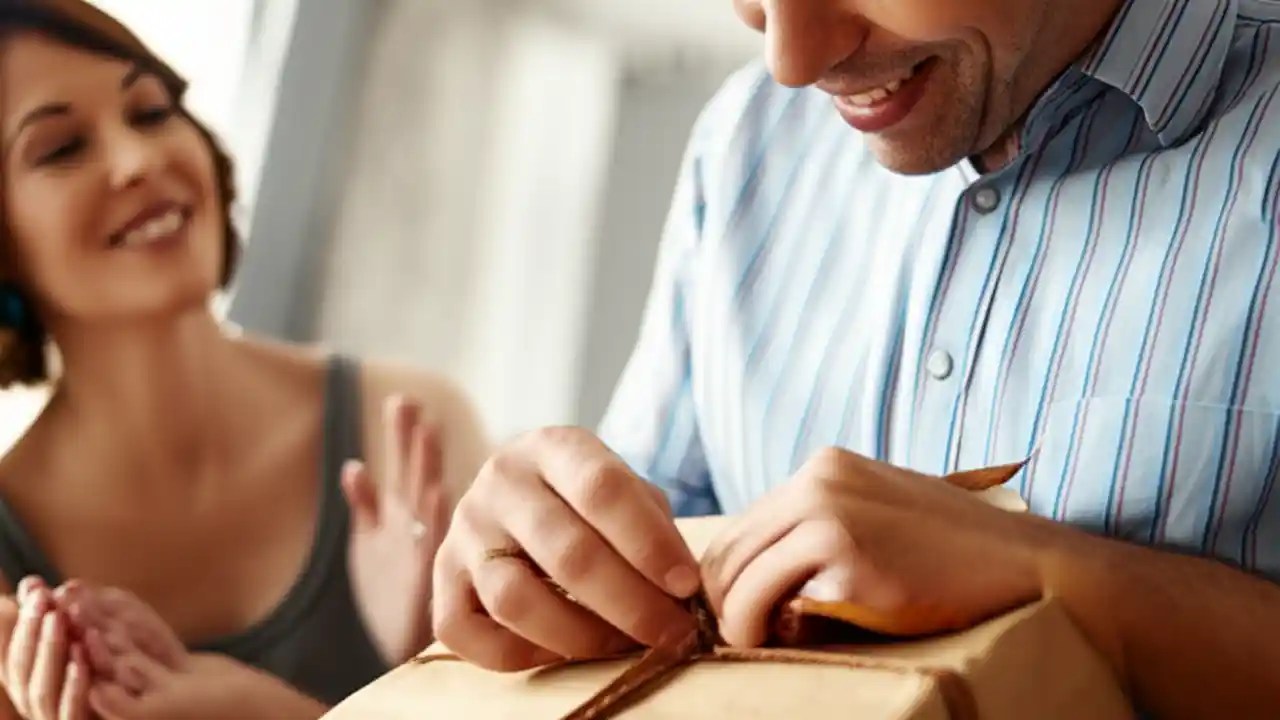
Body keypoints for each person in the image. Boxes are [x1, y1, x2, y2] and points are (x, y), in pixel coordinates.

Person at [431, 0, 1280, 717]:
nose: (792, 62)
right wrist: (546, 557)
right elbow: (650, 573)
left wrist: (1063, 585)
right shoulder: (746, 143)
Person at [0, 0, 490, 718]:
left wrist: (430, 660)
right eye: (62, 149)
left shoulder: (408, 430)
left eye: (151, 112)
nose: (140, 159)